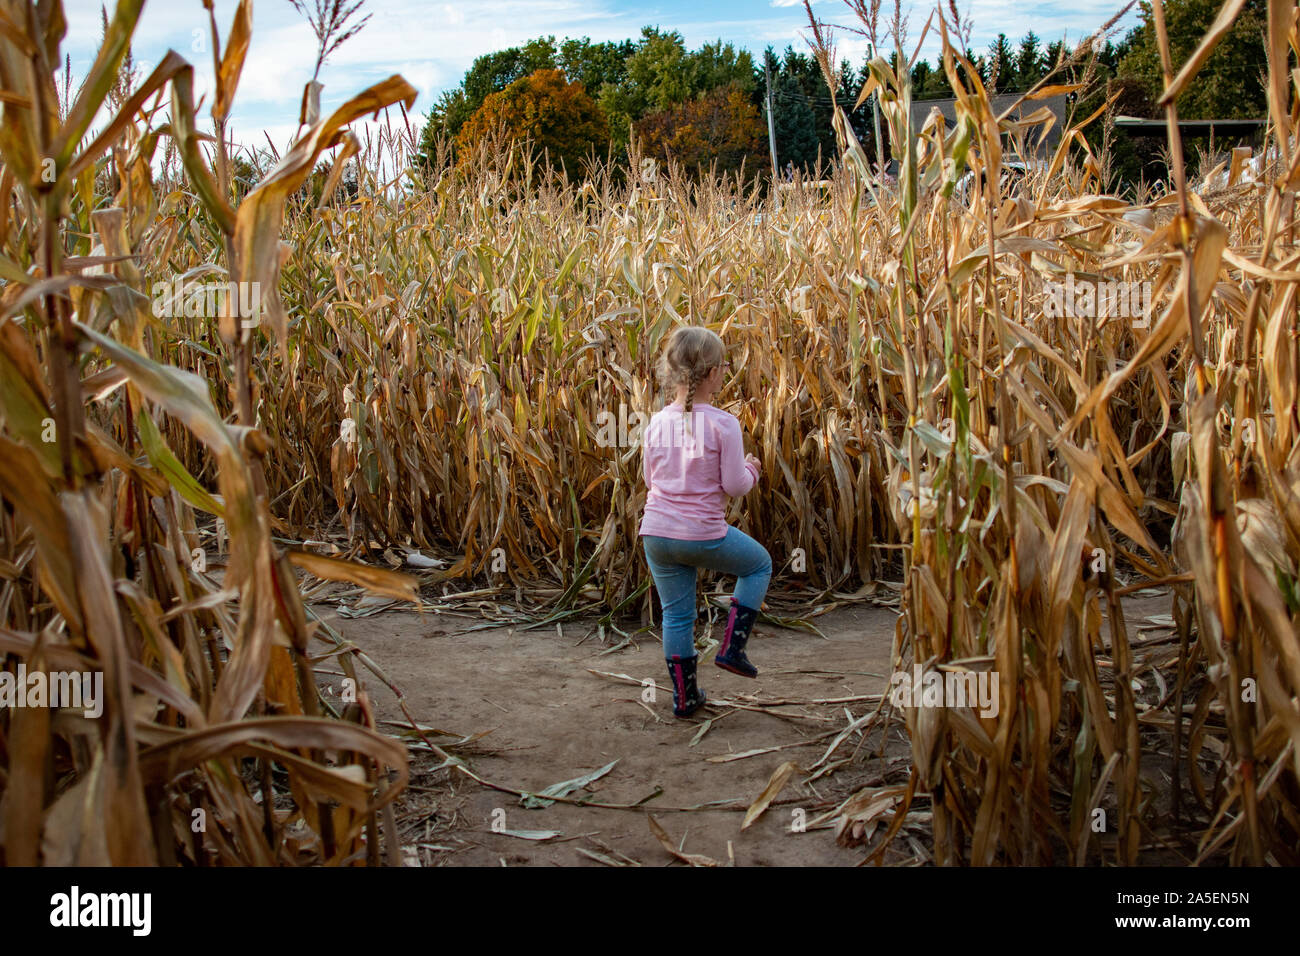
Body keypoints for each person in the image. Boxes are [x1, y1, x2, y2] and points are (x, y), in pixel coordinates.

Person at [638, 326, 772, 718]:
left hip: (657, 533)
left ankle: (685, 698)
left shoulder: (657, 423)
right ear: (712, 373)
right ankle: (733, 649)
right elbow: (734, 485)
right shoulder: (723, 424)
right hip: (702, 533)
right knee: (758, 564)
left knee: (676, 615)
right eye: (724, 365)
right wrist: (752, 470)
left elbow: (651, 480)